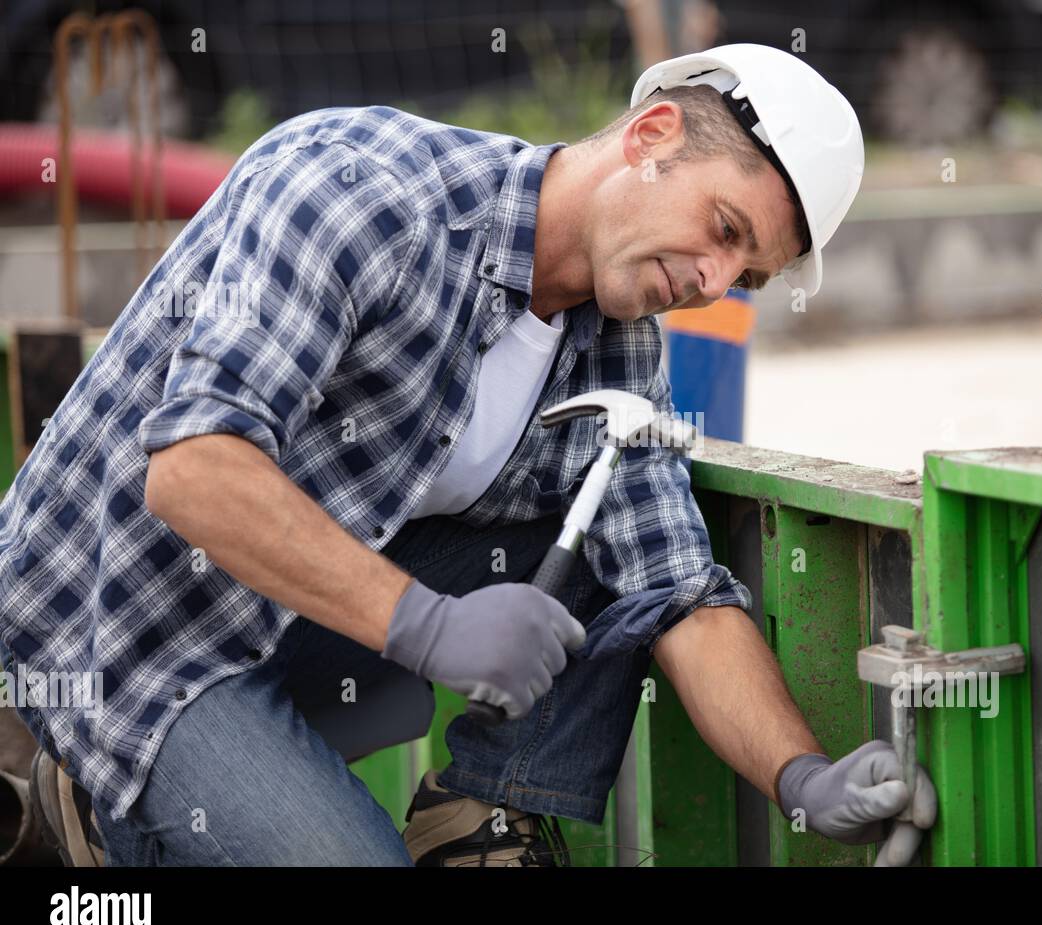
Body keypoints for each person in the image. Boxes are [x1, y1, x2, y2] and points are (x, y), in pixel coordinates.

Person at [2, 43, 935, 866]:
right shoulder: (364, 192)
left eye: (751, 276)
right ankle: (94, 802)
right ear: (651, 136)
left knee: (613, 541)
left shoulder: (616, 342)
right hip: (129, 632)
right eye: (725, 231)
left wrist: (802, 777)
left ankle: (483, 828)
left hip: (288, 614)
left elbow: (675, 586)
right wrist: (430, 627)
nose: (714, 283)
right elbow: (197, 465)